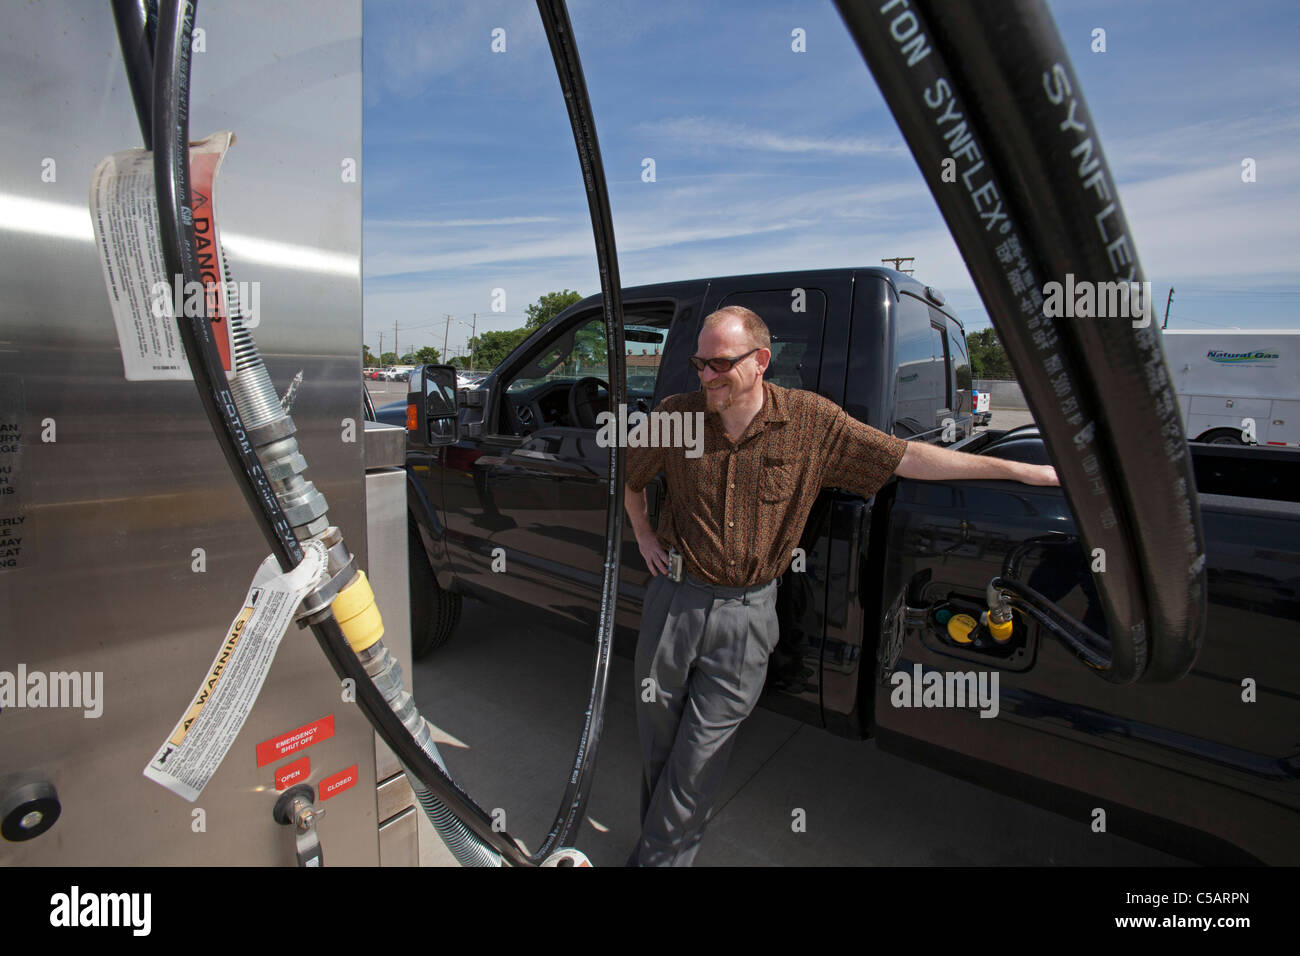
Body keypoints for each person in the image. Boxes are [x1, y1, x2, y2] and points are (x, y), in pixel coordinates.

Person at [622, 305, 1058, 866]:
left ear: (760, 362)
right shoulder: (675, 415)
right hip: (673, 604)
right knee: (659, 748)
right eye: (699, 364)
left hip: (746, 618)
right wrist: (646, 539)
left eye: (719, 365)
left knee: (696, 763)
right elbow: (632, 480)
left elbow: (907, 458)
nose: (705, 377)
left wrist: (1019, 470)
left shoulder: (812, 423)